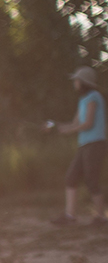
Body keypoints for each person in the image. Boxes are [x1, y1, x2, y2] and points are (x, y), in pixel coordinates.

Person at [44, 65, 108, 226]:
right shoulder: (83, 100)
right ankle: (70, 216)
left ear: (83, 82)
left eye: (76, 80)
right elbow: (75, 123)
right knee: (71, 177)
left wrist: (70, 130)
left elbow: (88, 123)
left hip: (95, 144)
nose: (74, 82)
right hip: (84, 144)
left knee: (91, 180)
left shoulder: (94, 97)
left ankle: (100, 217)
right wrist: (55, 128)